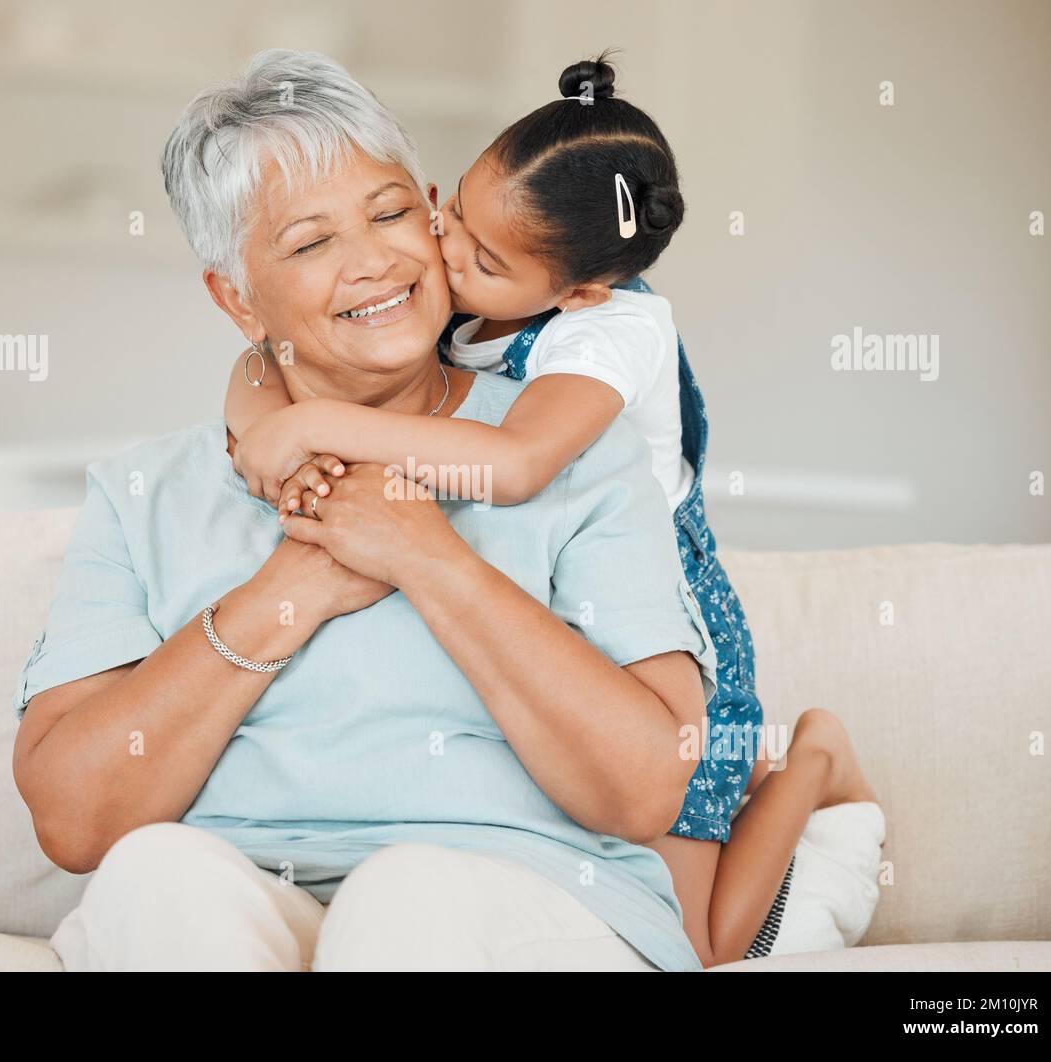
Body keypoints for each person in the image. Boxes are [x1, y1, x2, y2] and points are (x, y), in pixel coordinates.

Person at [9, 48, 721, 972]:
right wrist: (286, 593)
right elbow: (72, 821)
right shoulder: (144, 492)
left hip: (527, 894)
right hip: (245, 893)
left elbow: (643, 791)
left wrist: (428, 556)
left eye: (390, 215)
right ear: (237, 299)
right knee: (155, 876)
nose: (373, 262)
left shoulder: (578, 446)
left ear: (433, 213)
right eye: (309, 244)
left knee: (406, 897)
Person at [225, 52, 881, 966]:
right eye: (450, 210)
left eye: (481, 258)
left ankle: (815, 759)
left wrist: (322, 425)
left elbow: (517, 462)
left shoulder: (615, 330)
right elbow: (263, 358)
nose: (442, 254)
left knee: (700, 937)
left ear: (577, 291)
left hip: (660, 612)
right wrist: (264, 442)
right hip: (549, 579)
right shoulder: (484, 267)